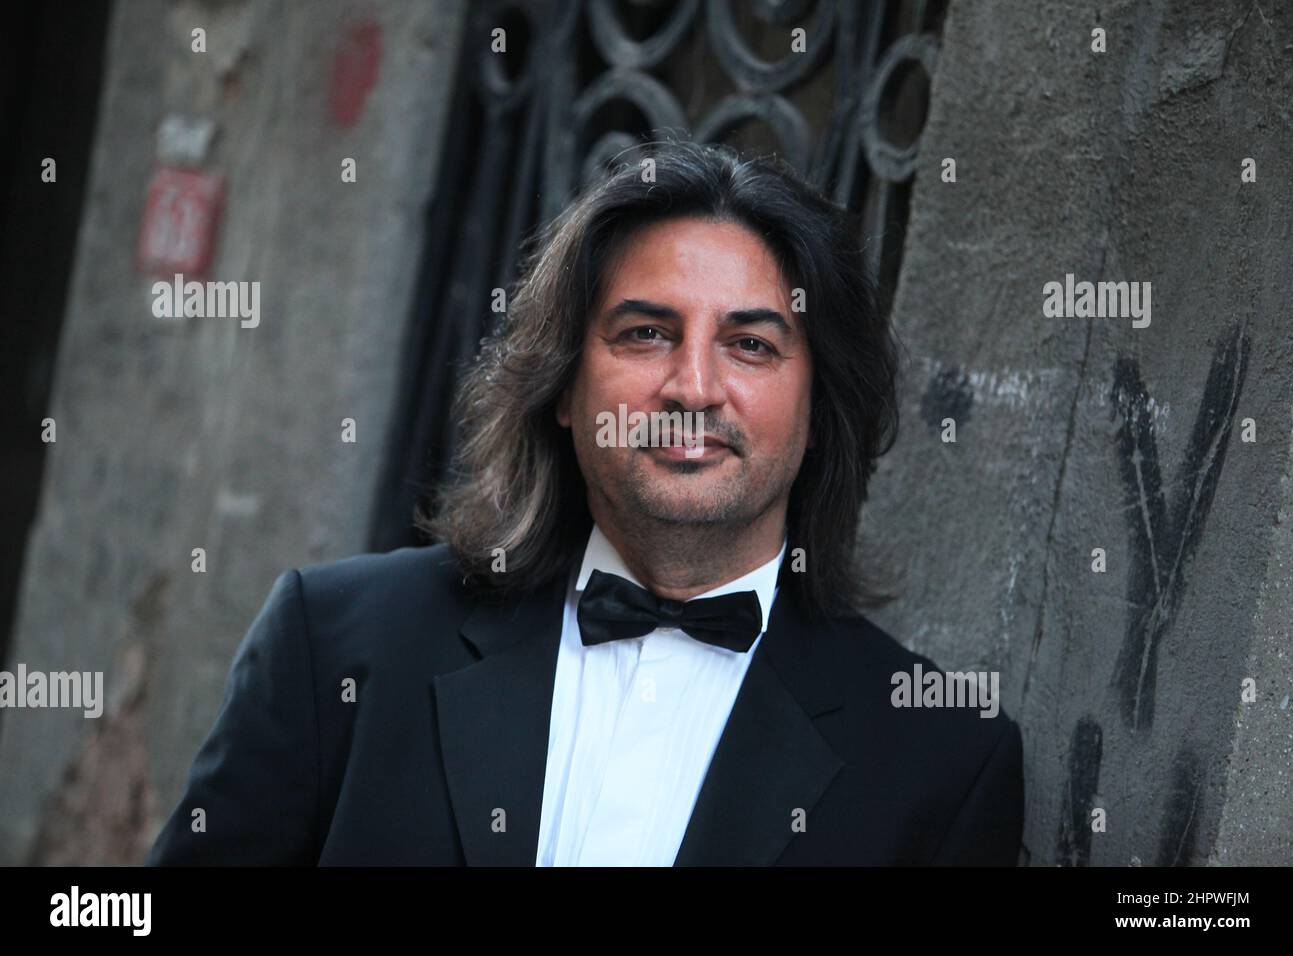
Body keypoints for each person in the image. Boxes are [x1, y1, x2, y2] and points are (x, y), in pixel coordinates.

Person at [148, 138, 1023, 866]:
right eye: (646, 333)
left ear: (818, 410)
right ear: (562, 385)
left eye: (751, 345)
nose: (693, 387)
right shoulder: (334, 645)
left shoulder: (943, 761)